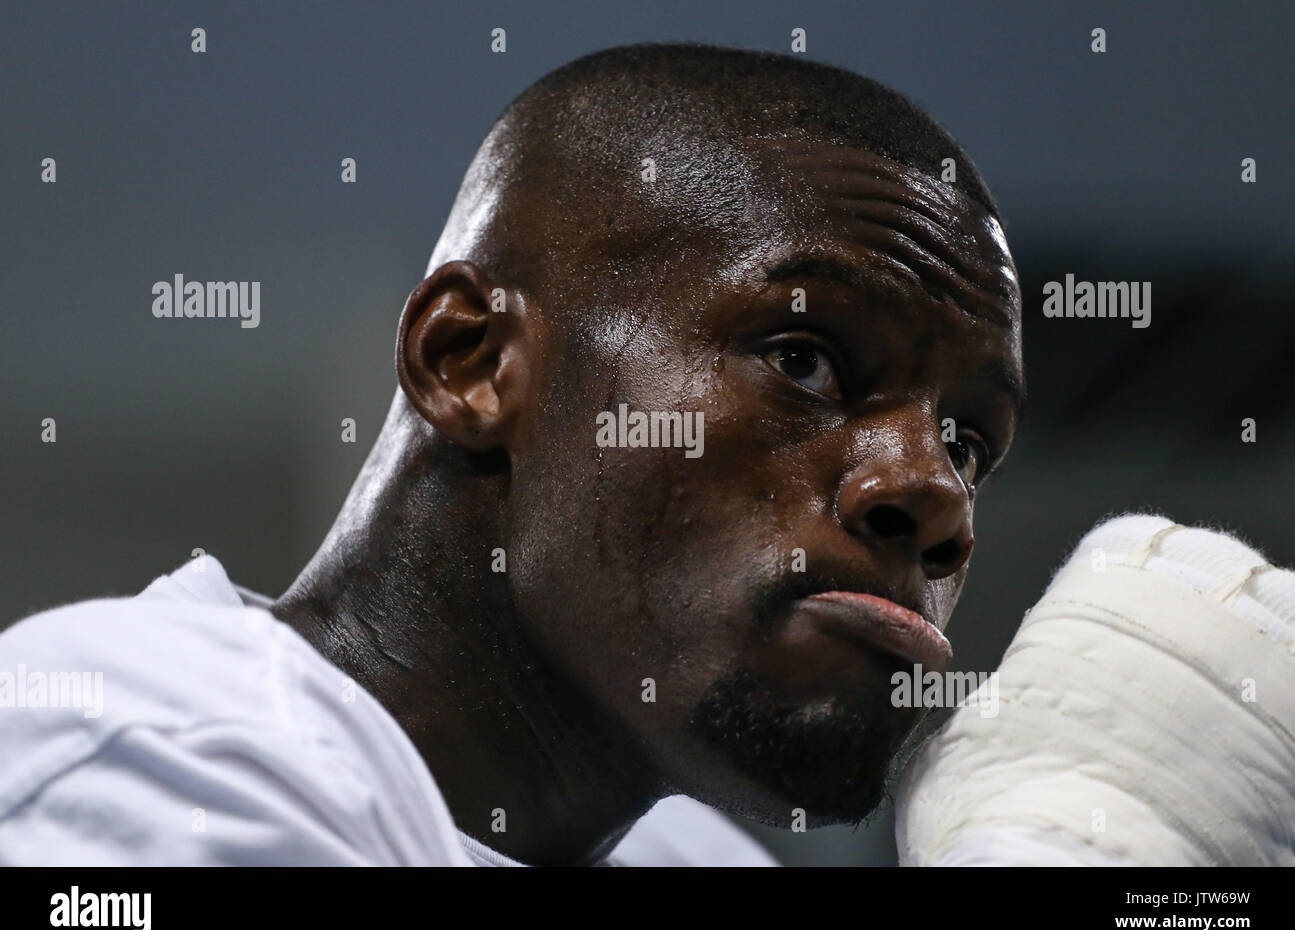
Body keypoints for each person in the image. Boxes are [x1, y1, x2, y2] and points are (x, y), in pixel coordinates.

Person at [0, 42, 1024, 866]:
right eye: (805, 358)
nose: (934, 492)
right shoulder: (148, 754)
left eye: (967, 441)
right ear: (469, 361)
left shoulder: (691, 851)